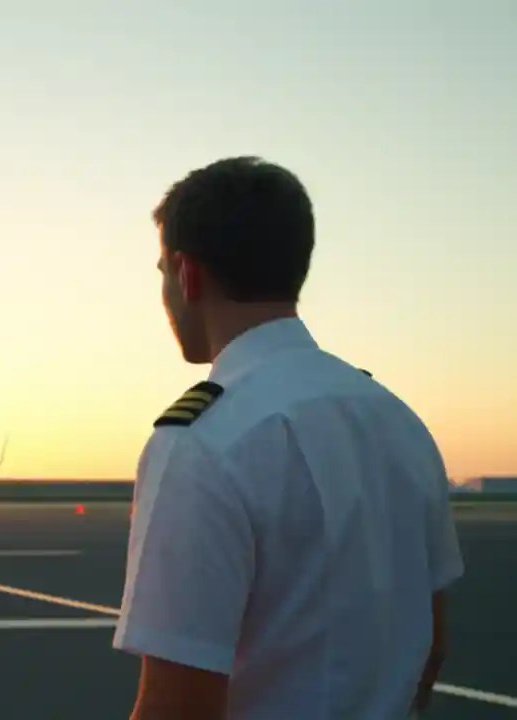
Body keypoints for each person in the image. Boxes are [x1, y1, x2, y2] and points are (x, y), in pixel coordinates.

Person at [111, 156, 464, 719]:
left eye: (163, 272)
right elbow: (432, 641)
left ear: (187, 273)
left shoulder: (202, 443)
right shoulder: (398, 421)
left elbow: (177, 706)